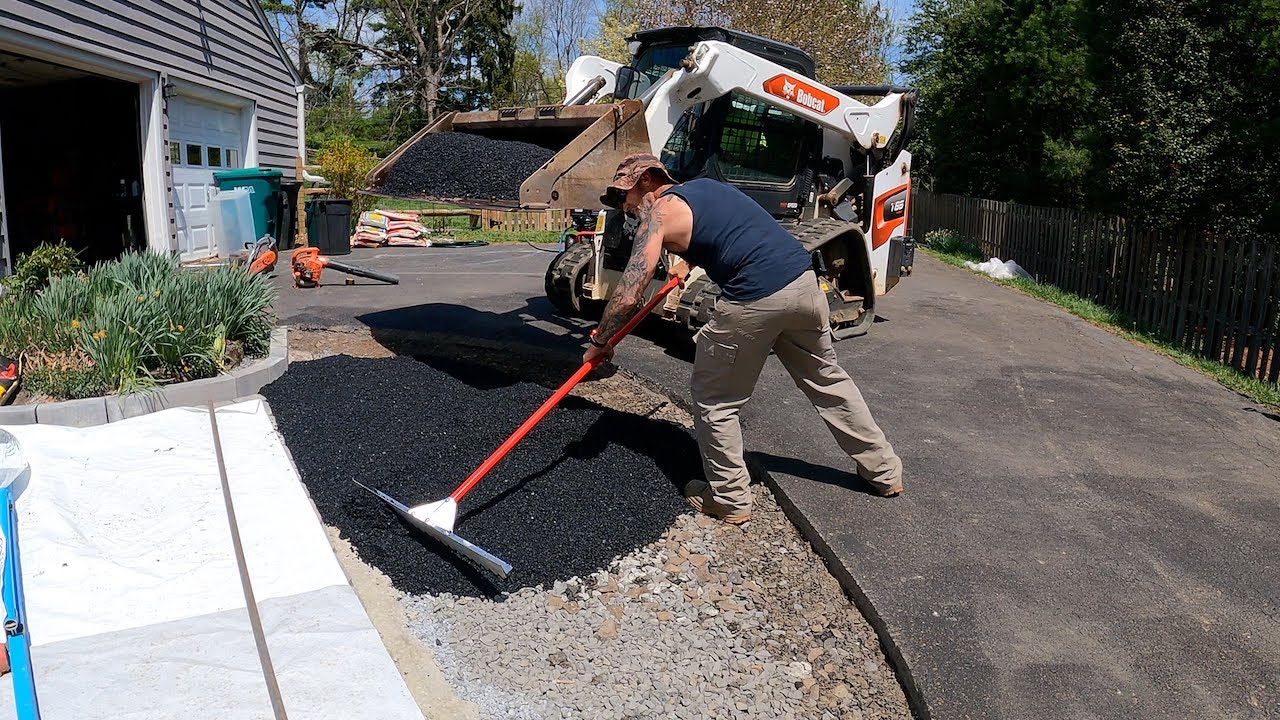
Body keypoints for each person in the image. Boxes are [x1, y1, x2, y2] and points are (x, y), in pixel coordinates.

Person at [583, 153, 903, 525]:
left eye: (624, 196)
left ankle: (730, 497)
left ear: (645, 182)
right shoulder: (705, 189)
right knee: (828, 382)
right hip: (803, 285)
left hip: (755, 299)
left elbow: (627, 296)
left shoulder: (658, 213)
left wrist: (601, 341)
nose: (625, 206)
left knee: (715, 400)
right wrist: (688, 259)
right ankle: (884, 472)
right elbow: (730, 233)